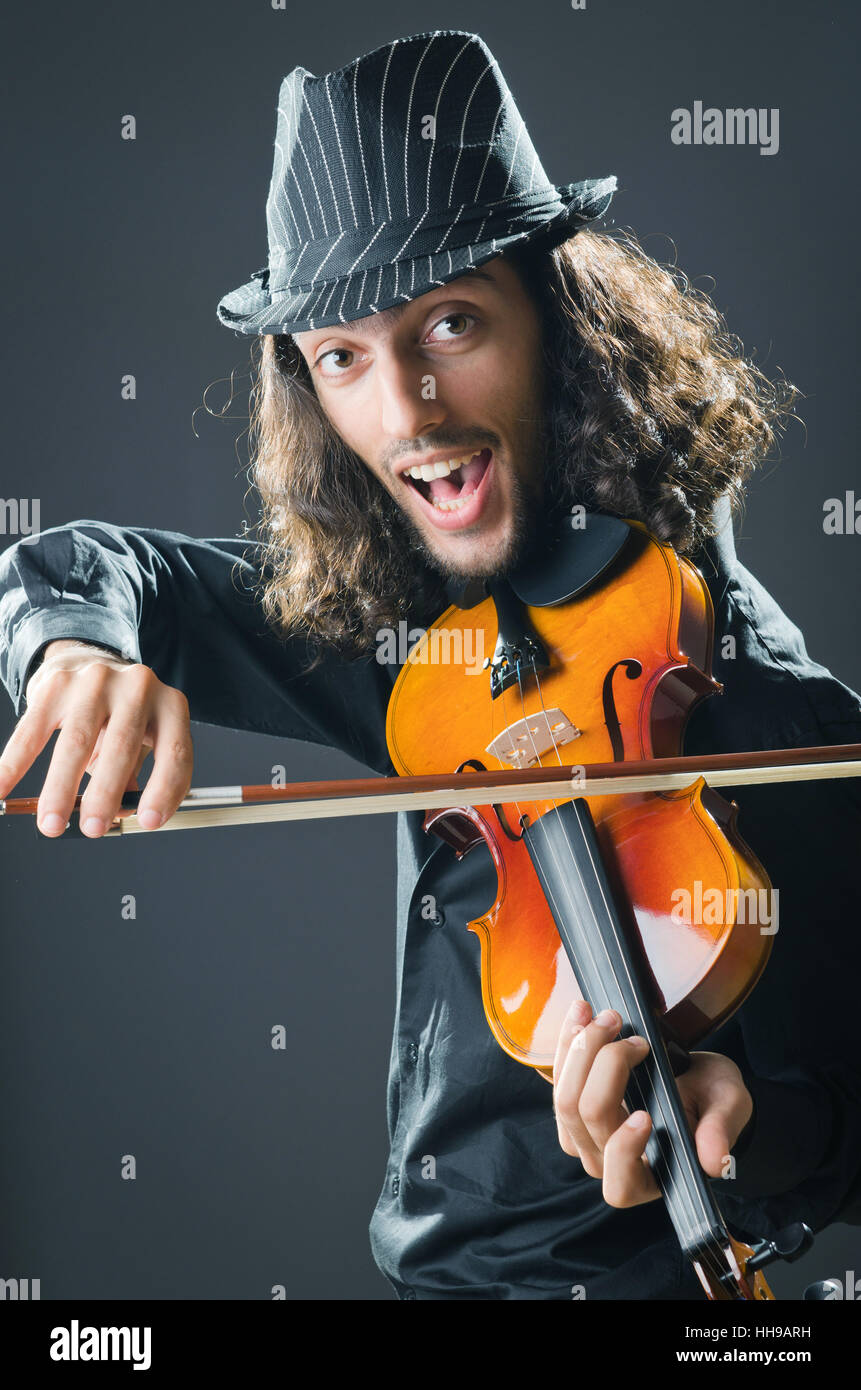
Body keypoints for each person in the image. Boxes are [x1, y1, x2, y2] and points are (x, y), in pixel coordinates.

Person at [1, 30, 860, 1301]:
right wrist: (73, 641)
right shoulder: (420, 650)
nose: (404, 411)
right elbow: (109, 565)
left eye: (449, 321)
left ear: (565, 321)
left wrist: (744, 1124)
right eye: (341, 354)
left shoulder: (773, 715)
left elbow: (840, 1128)